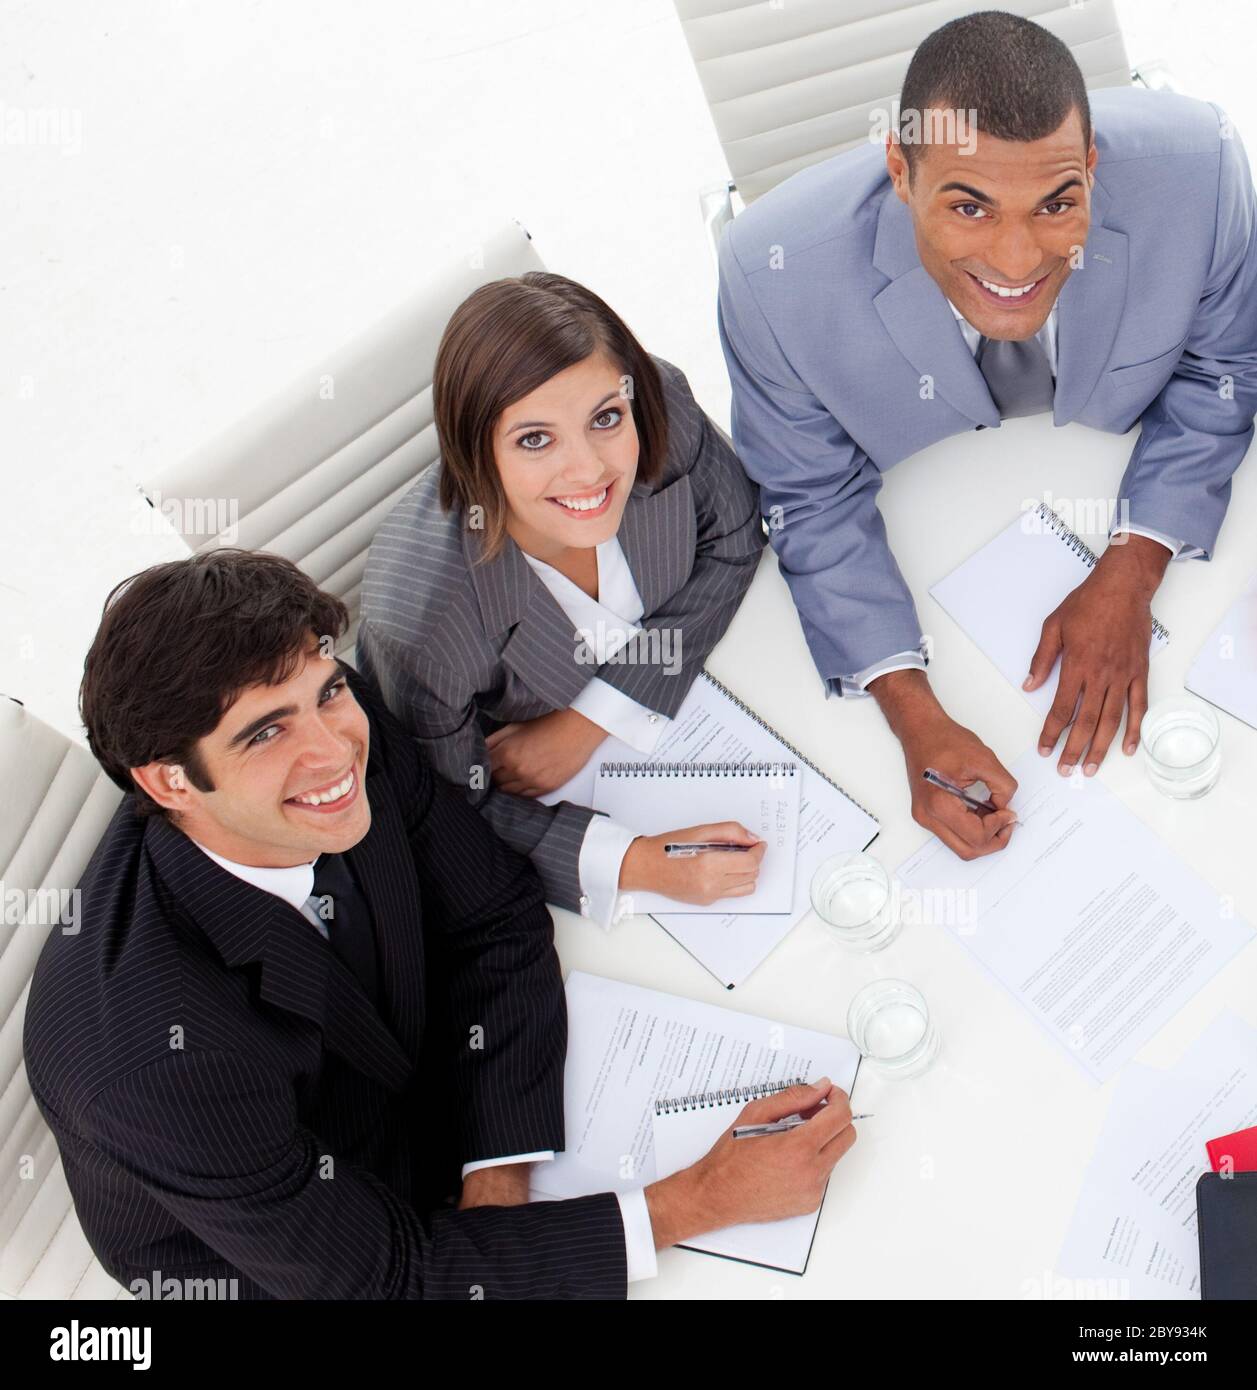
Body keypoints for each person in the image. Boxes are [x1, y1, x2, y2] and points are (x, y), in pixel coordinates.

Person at [22, 550, 857, 1299]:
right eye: (266, 731)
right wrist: (696, 1202)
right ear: (169, 784)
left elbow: (494, 919)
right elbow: (391, 1283)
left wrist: (494, 1171)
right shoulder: (151, 1065)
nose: (333, 752)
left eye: (326, 691)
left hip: (424, 1096)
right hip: (285, 1255)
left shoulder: (338, 734)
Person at [716, 10, 1257, 862]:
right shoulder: (768, 277)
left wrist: (1132, 565)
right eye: (968, 207)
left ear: (1091, 166)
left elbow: (1222, 368)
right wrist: (914, 716)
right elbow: (808, 498)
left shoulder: (1204, 168)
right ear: (898, 171)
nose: (1014, 259)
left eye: (1056, 203)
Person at [356, 271, 768, 928]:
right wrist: (638, 863)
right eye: (534, 439)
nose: (588, 470)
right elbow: (443, 808)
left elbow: (736, 540)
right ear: (475, 454)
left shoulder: (655, 401)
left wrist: (592, 720)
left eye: (604, 419)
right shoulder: (422, 625)